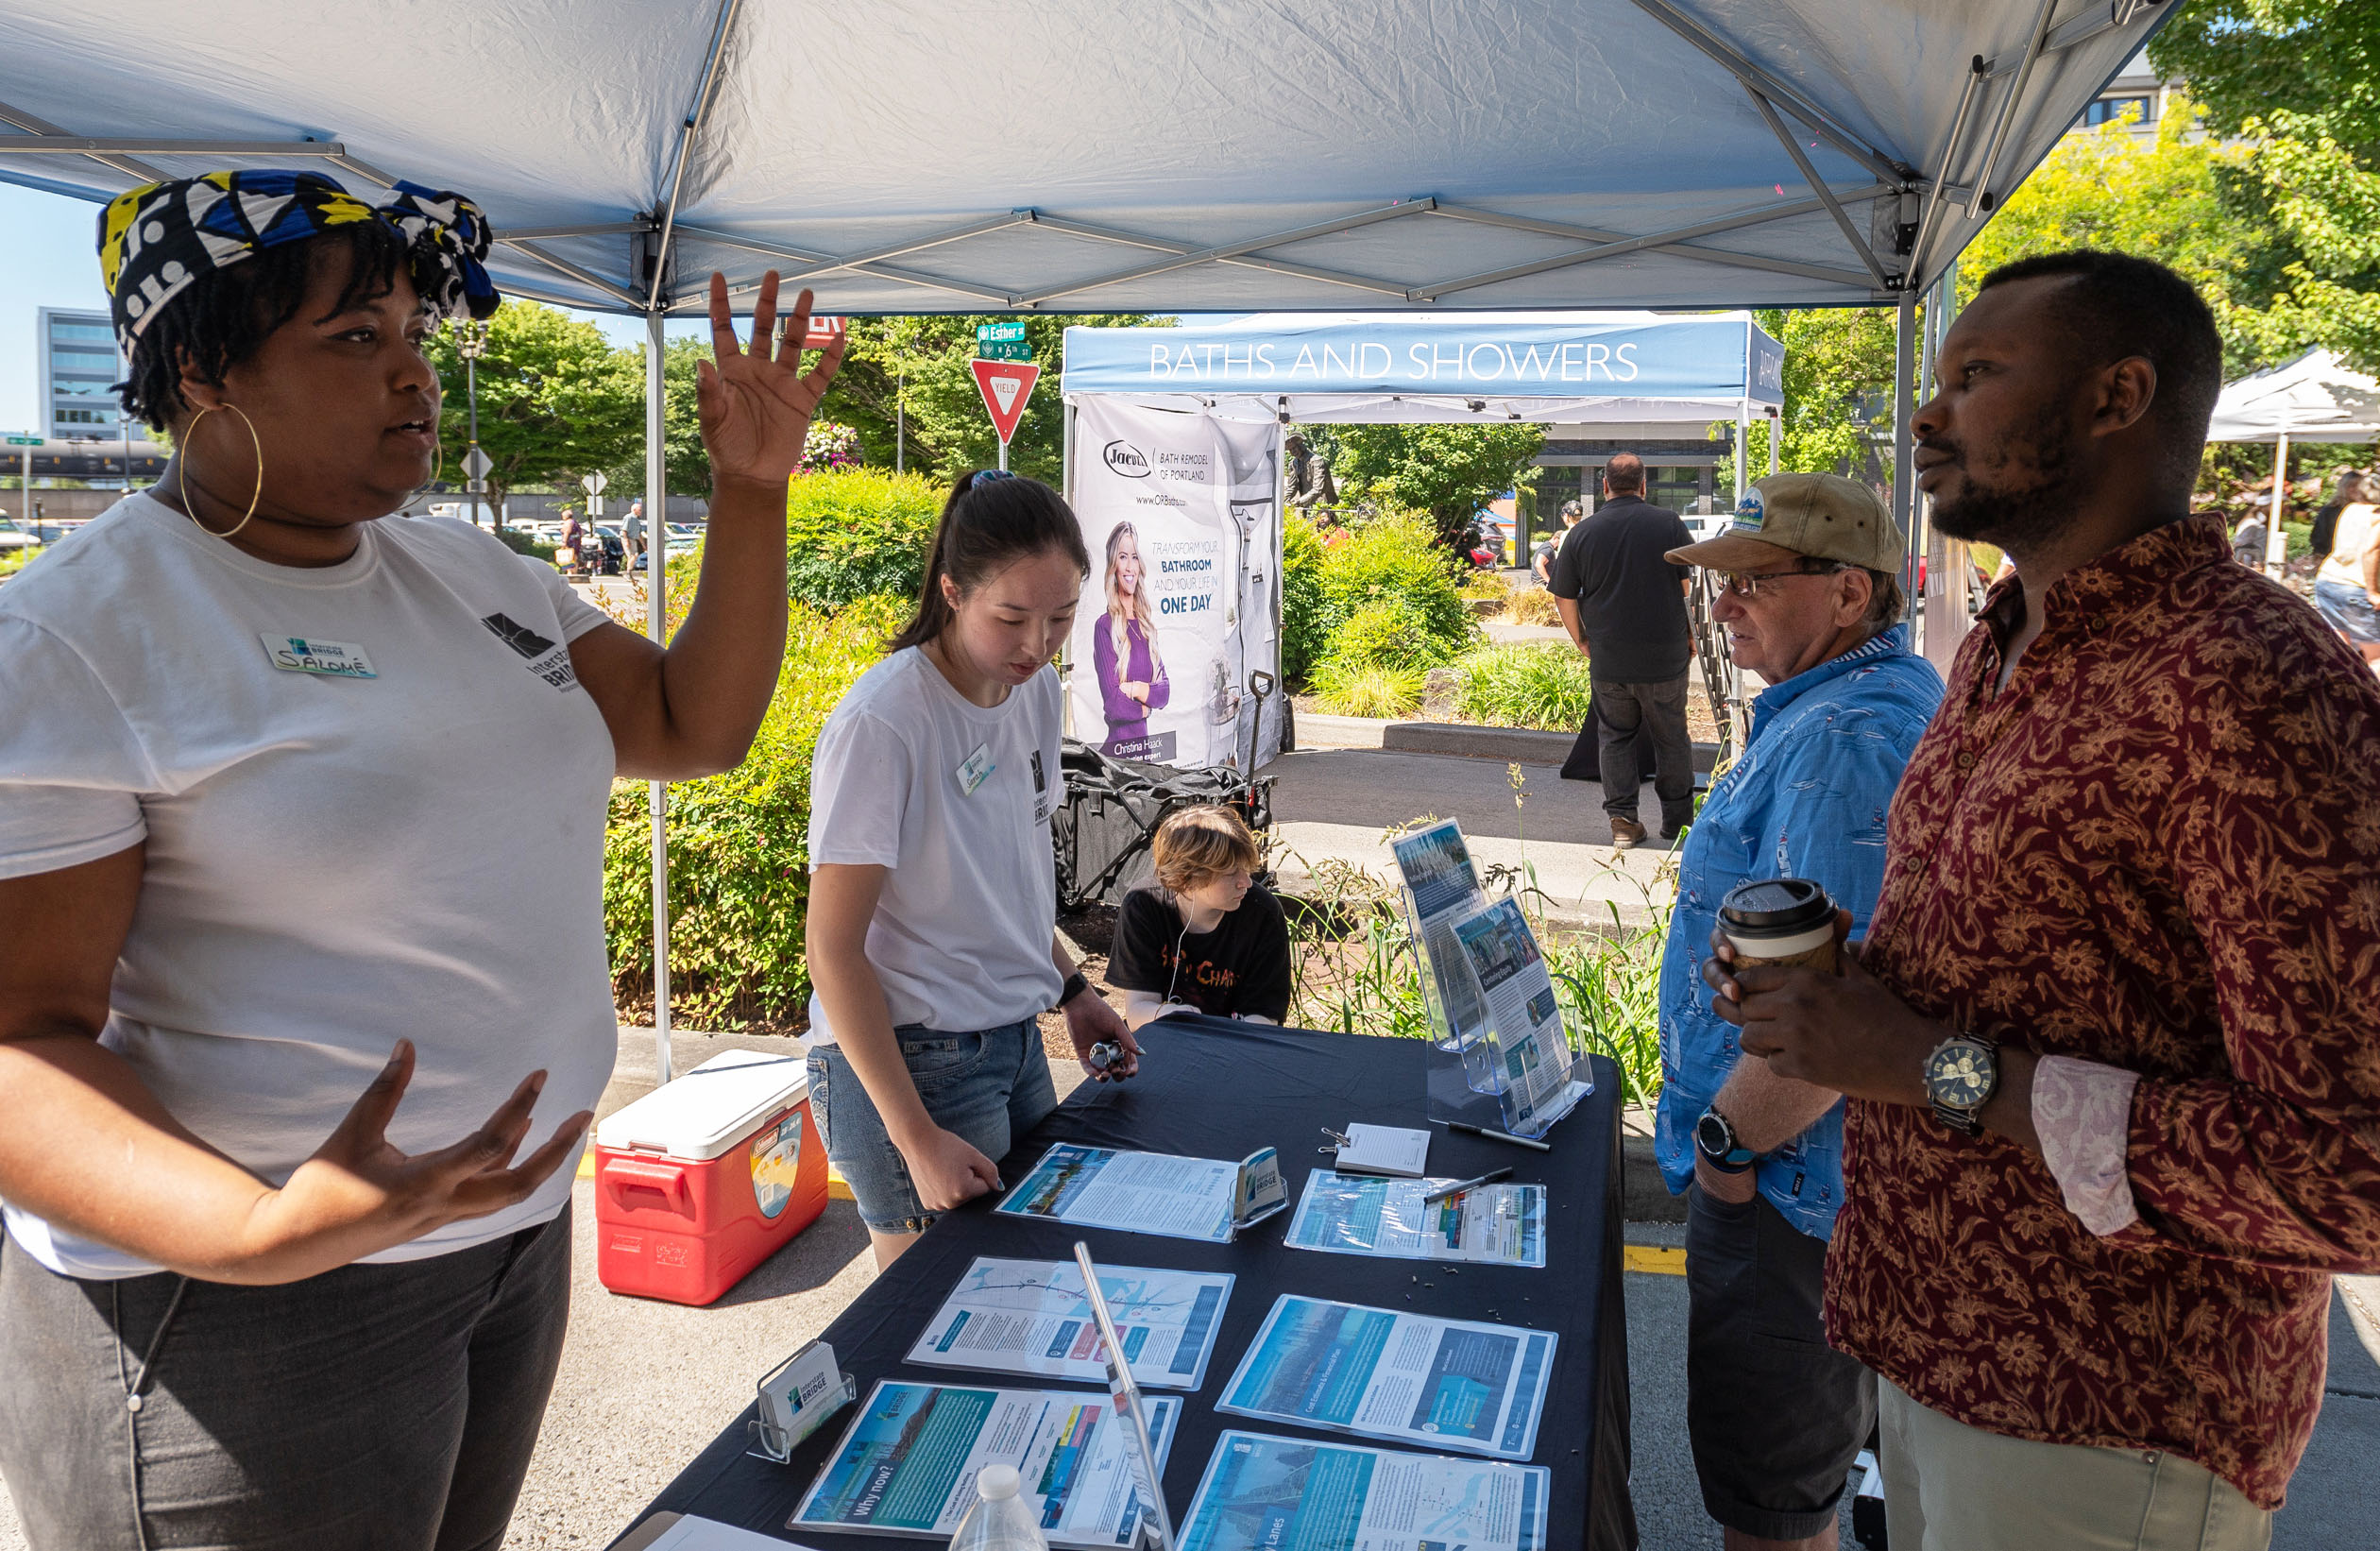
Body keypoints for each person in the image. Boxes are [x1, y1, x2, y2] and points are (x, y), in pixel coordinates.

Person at [0, 168, 843, 1550]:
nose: (414, 373)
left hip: (506, 1243)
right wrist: (260, 1228)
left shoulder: (470, 572)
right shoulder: (77, 636)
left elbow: (691, 724)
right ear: (202, 369)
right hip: (243, 1309)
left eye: (415, 332)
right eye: (355, 338)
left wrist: (751, 493)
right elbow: (20, 1042)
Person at [1708, 251, 2380, 1550]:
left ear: (2117, 396)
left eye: (1975, 376)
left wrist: (1934, 1066)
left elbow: (2351, 1166)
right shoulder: (2003, 645)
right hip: (1931, 1350)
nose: (1926, 415)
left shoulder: (2248, 679)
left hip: (2107, 1410)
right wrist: (1840, 992)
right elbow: (2040, 967)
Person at [1654, 472, 1944, 1551]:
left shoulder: (1843, 739)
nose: (1725, 605)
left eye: (1755, 582)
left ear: (1851, 594)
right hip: (1817, 1190)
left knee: (1774, 1516)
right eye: (1721, 584)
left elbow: (1826, 1019)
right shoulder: (1857, 702)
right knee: (1799, 1498)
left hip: (1788, 1191)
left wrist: (1726, 1149)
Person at [806, 472, 1138, 1270]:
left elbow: (1005, 879)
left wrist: (1071, 989)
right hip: (913, 1061)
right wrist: (914, 1136)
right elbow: (832, 951)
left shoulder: (1037, 692)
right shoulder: (885, 721)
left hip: (1013, 1042)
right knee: (944, 1319)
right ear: (952, 591)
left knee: (1029, 1288)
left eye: (1061, 618)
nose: (1037, 645)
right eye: (1011, 618)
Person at [1548, 452, 1695, 848]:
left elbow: (1563, 595)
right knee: (1672, 738)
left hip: (1609, 658)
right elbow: (1687, 587)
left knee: (1614, 737)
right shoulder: (1668, 523)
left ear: (1605, 486)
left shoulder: (1582, 533)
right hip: (1665, 657)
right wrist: (1691, 634)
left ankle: (1623, 822)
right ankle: (1678, 824)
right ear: (1644, 485)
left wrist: (1581, 639)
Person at [1105, 805, 1292, 1029]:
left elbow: (1263, 1019)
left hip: (1237, 1042)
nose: (1247, 882)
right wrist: (1170, 1015)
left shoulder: (1263, 913)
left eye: (1246, 869)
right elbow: (1138, 1011)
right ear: (1187, 877)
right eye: (1231, 873)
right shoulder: (1144, 904)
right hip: (1166, 1035)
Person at [1091, 520, 1171, 757]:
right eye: (1123, 557)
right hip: (1118, 757)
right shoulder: (1104, 627)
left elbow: (1164, 692)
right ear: (1113, 565)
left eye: (1134, 557)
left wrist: (1134, 688)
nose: (1129, 567)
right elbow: (1114, 704)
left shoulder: (1146, 627)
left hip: (1144, 753)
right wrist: (1145, 708)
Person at [2310, 479, 2380, 664]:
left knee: (2340, 655)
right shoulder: (2377, 516)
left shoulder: (2350, 509)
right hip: (2355, 588)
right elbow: (2371, 551)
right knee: (2376, 659)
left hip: (2328, 581)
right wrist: (2373, 592)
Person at [1530, 497, 1583, 585]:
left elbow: (1562, 563)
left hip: (1569, 582)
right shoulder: (1587, 532)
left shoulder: (1566, 535)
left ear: (1567, 516)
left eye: (1563, 514)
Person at [623, 498, 647, 570]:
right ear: (634, 510)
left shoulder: (637, 520)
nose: (641, 511)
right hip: (627, 538)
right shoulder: (629, 517)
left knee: (634, 555)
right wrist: (626, 540)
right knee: (632, 556)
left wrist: (643, 545)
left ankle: (629, 571)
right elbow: (624, 530)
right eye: (639, 510)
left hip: (633, 539)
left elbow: (639, 534)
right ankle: (628, 571)